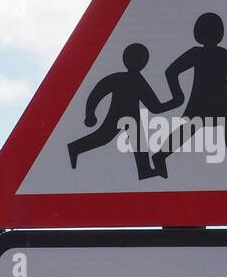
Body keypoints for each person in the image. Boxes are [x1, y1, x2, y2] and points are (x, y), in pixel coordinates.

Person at [151, 12, 227, 179]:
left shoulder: (215, 54)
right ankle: (159, 156)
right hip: (208, 102)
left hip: (215, 102)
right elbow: (171, 71)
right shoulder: (215, 54)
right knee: (195, 131)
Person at [67, 43, 175, 179]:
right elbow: (98, 92)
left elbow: (154, 106)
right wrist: (90, 114)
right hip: (118, 115)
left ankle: (144, 170)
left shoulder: (136, 79)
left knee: (138, 141)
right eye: (139, 59)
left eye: (142, 60)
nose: (140, 63)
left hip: (132, 117)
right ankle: (75, 148)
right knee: (103, 137)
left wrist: (175, 102)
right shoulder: (123, 78)